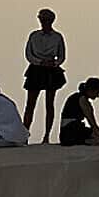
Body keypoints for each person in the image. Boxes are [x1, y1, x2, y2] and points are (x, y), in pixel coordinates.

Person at [23, 8, 67, 144]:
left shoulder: (57, 37)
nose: (43, 22)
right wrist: (41, 62)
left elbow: (62, 55)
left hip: (51, 70)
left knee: (49, 103)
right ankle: (24, 134)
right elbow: (29, 54)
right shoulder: (34, 36)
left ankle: (46, 135)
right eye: (42, 19)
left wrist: (54, 63)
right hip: (36, 69)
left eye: (46, 19)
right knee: (30, 104)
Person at [58, 78, 99, 146]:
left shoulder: (76, 97)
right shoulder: (83, 100)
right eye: (98, 92)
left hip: (67, 134)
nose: (98, 96)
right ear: (92, 90)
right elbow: (93, 124)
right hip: (71, 133)